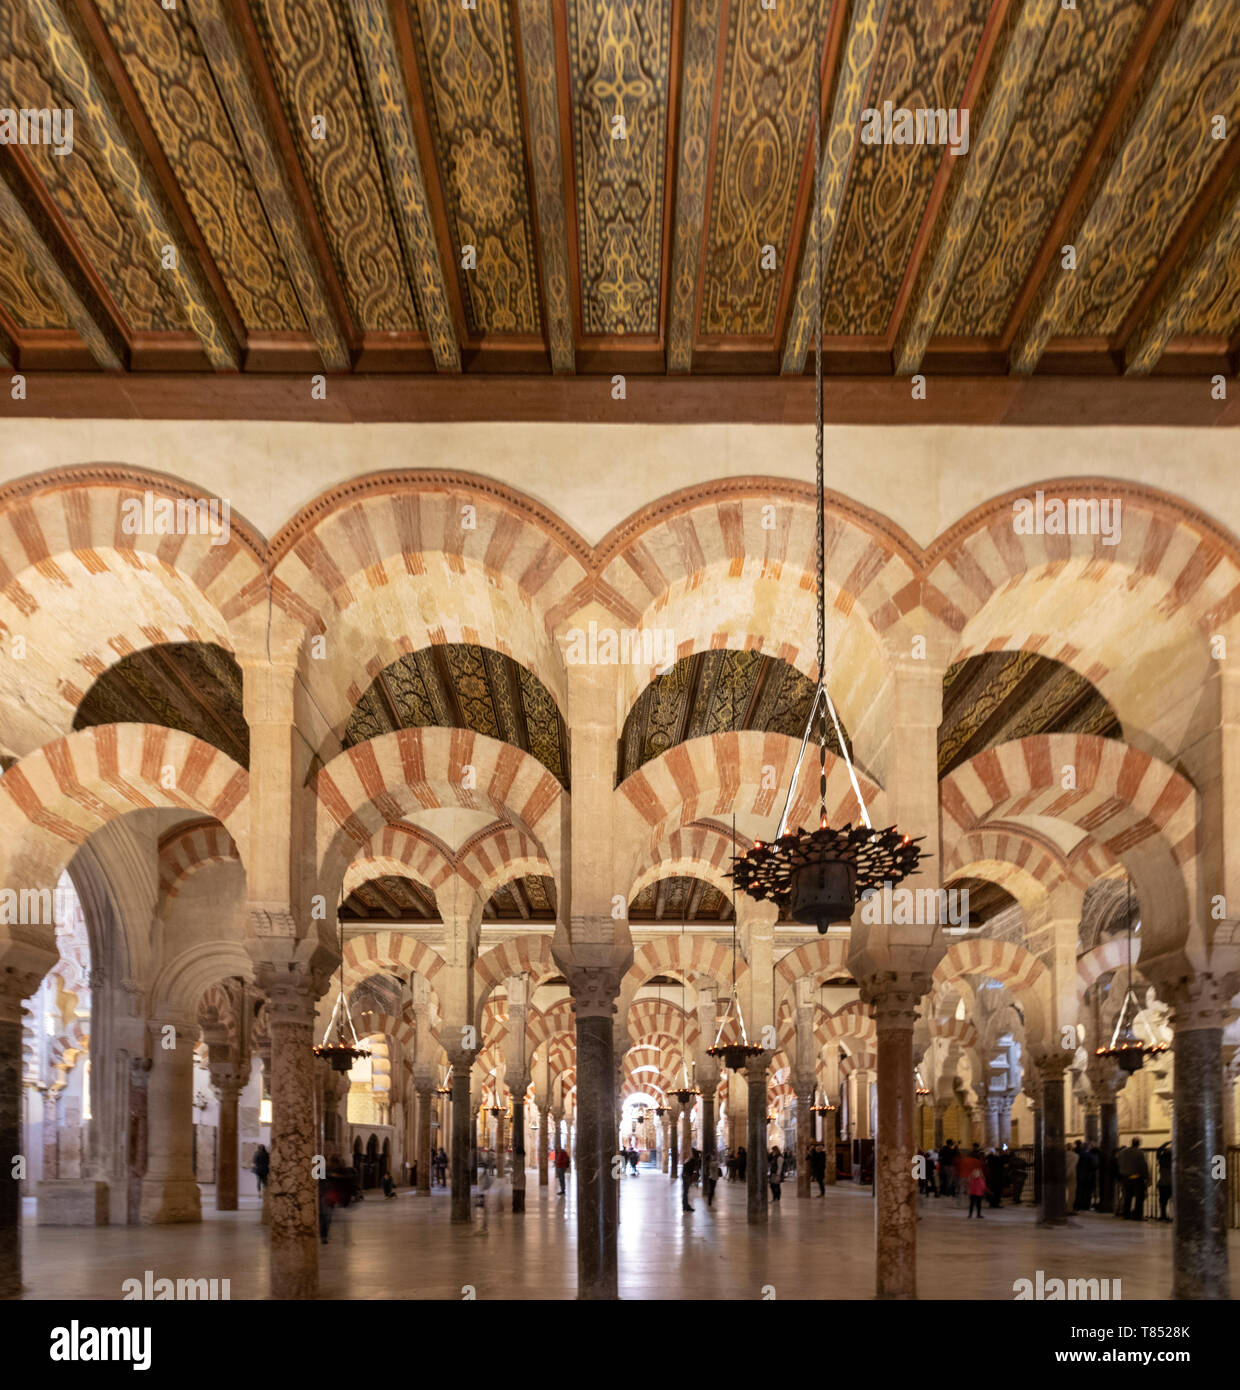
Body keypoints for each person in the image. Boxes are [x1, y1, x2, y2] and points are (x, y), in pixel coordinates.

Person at [1117, 1137, 1149, 1219]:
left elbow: (1119, 1161)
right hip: (1136, 1177)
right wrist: (1146, 1176)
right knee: (1139, 1197)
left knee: (1127, 1196)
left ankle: (1126, 1214)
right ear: (1138, 1143)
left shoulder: (1123, 1152)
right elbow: (1143, 1165)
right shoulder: (1140, 1153)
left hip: (1125, 1177)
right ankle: (1137, 1215)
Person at [1075, 1142, 1097, 1211]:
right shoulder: (1090, 1155)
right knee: (1087, 1192)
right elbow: (1094, 1165)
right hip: (1088, 1176)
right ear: (1088, 1147)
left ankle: (1079, 1205)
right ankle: (1086, 1206)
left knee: (1079, 1191)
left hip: (1079, 1175)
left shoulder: (1078, 1155)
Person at [1156, 1142, 1172, 1221]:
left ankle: (1163, 1216)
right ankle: (1173, 1216)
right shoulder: (1173, 1161)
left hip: (1163, 1183)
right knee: (1174, 1202)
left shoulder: (1161, 1160)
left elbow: (1158, 1150)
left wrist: (1167, 1143)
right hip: (1171, 1184)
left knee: (1163, 1202)